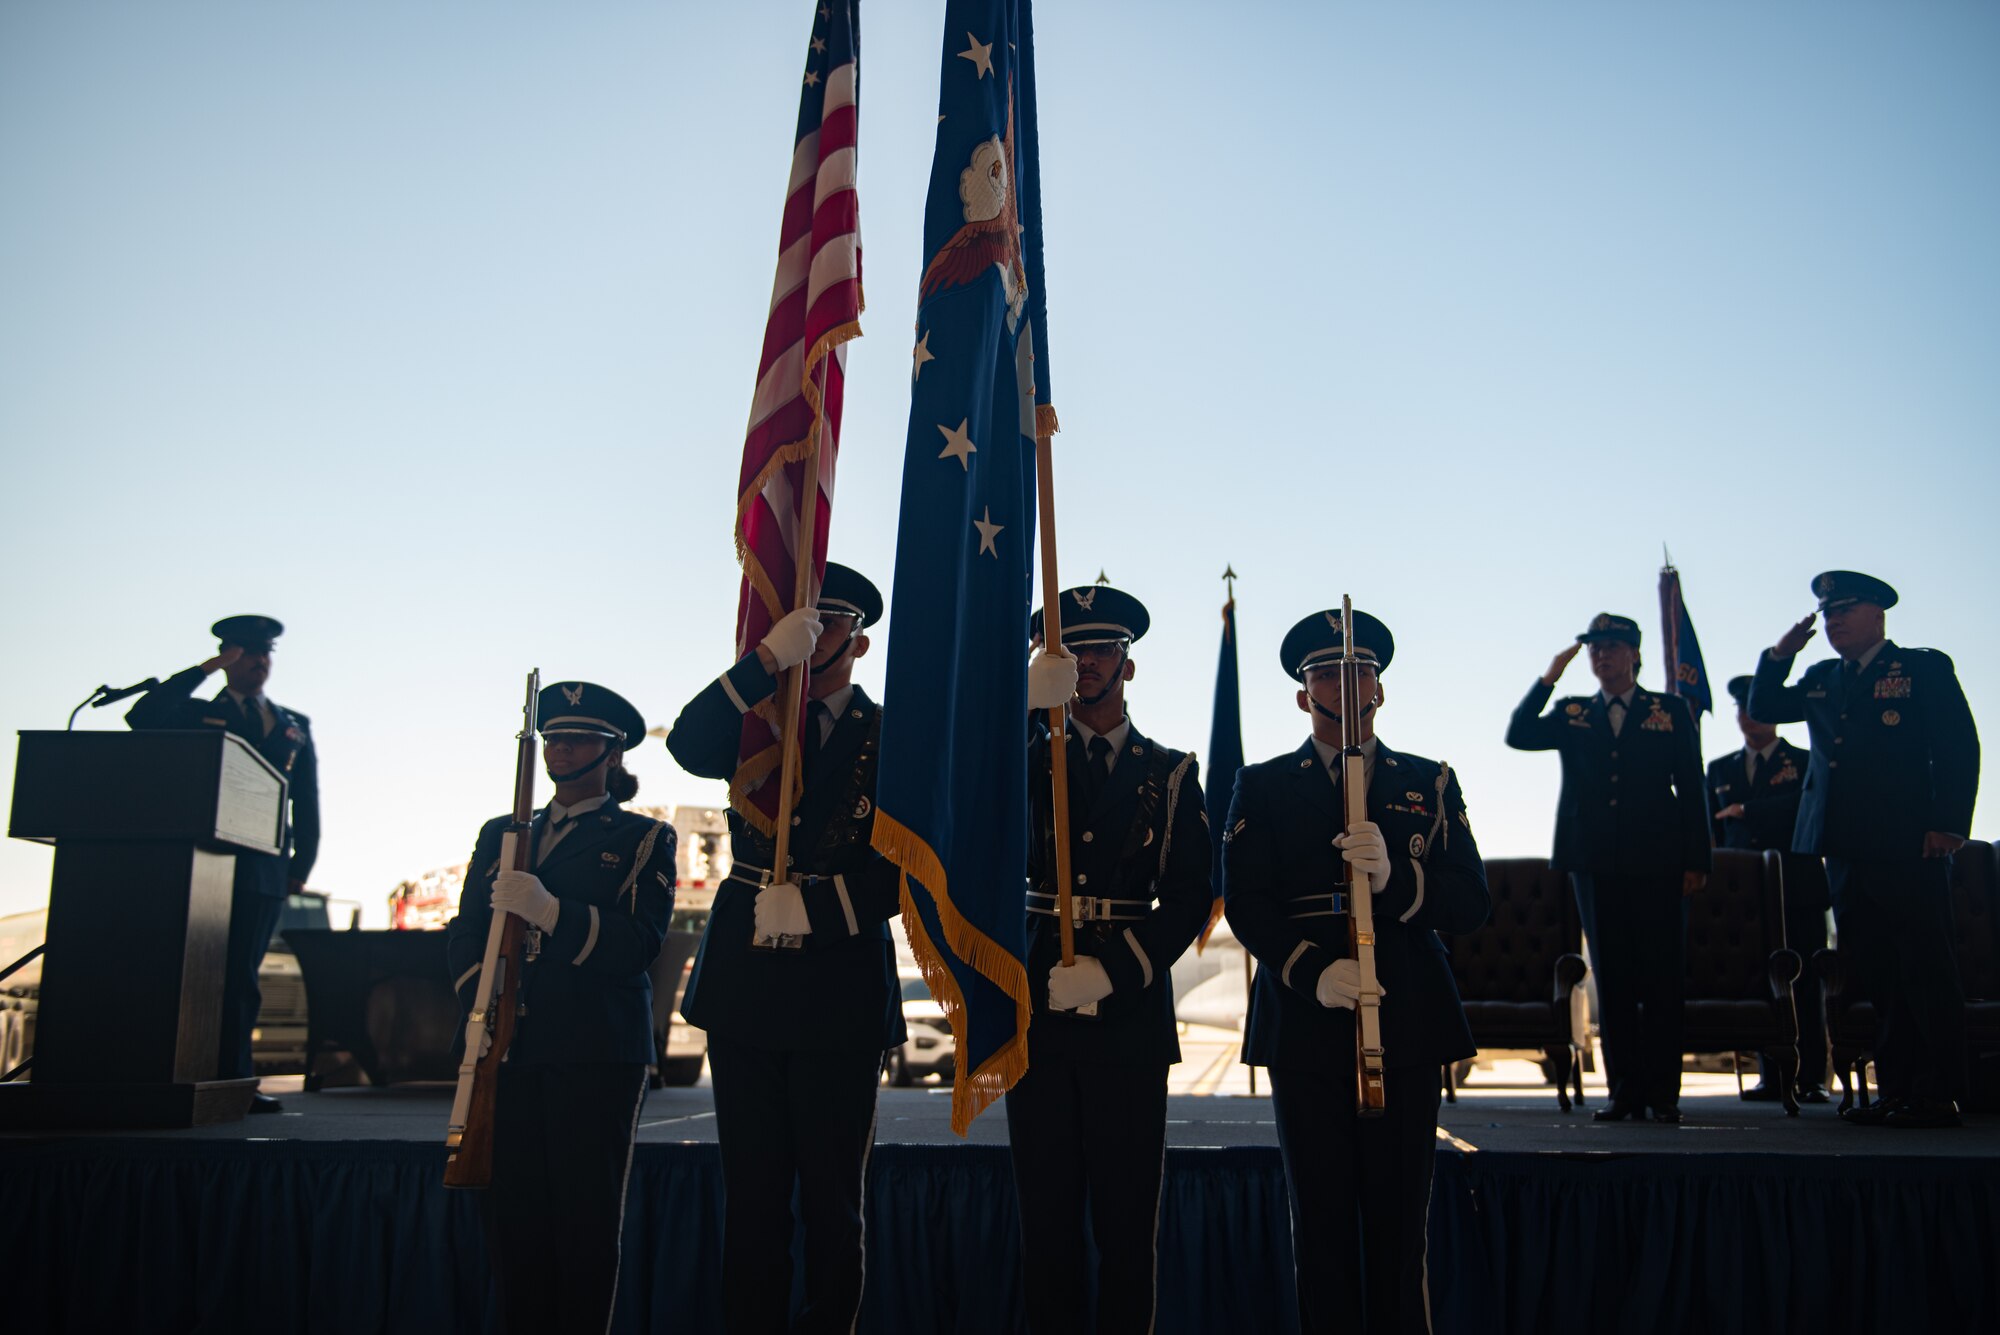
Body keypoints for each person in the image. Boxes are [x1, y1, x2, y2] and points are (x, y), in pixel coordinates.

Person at [1225, 606, 1489, 1335]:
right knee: (1323, 1224)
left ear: (1381, 687)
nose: (1344, 682)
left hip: (1405, 1012)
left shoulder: (1428, 782)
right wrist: (1311, 972)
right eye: (1325, 672)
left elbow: (1471, 901)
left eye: (1359, 668)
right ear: (1303, 694)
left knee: (1402, 1224)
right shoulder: (1265, 785)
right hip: (1306, 1017)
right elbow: (1246, 900)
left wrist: (1399, 881)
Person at [664, 563, 902, 1334]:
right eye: (804, 617)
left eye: (830, 619)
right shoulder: (756, 714)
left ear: (858, 642)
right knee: (754, 1202)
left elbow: (916, 861)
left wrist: (818, 909)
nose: (815, 632)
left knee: (835, 1208)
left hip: (839, 986)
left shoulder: (891, 735)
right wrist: (760, 661)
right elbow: (688, 743)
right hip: (749, 987)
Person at [1007, 585, 1212, 1335]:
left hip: (1128, 1017)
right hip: (1039, 1008)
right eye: (1066, 649)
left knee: (1128, 1231)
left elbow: (1192, 895)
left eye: (1099, 648)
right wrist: (1027, 710)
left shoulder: (1172, 773)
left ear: (1129, 664)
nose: (1083, 662)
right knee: (1048, 1226)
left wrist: (1116, 967)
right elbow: (969, 810)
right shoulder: (1018, 756)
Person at [444, 680, 675, 1335]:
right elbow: (464, 930)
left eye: (579, 739)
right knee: (513, 1225)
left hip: (596, 1049)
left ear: (614, 750)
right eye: (554, 738)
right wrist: (483, 999)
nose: (563, 749)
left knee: (584, 1224)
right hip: (509, 1046)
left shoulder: (641, 837)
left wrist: (550, 911)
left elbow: (637, 944)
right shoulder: (501, 834)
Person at [1751, 570, 1980, 1129]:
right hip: (1844, 847)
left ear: (1878, 613)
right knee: (1877, 973)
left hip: (1909, 844)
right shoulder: (1824, 676)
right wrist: (1779, 653)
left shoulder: (1920, 667)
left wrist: (1949, 823)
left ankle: (1941, 1092)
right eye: (1827, 614)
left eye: (1844, 610)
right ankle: (1897, 1089)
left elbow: (1957, 744)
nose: (1832, 622)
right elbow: (1765, 704)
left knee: (1924, 968)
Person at [1506, 612, 1710, 1123]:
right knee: (1614, 980)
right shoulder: (1573, 711)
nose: (1603, 656)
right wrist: (1549, 677)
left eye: (1613, 647)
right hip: (1594, 860)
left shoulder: (1668, 710)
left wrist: (1696, 859)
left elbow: (1692, 785)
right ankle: (1622, 1091)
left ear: (1634, 655)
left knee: (1661, 980)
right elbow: (1519, 735)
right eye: (1595, 649)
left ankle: (1663, 1094)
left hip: (1659, 862)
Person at [125, 614, 319, 1112]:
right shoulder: (197, 711)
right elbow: (142, 716)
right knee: (196, 973)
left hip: (264, 867)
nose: (260, 662)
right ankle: (184, 1074)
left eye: (265, 654)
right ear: (230, 657)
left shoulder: (294, 725)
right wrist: (207, 668)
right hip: (205, 864)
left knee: (241, 979)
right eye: (248, 653)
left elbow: (307, 801)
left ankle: (235, 1081)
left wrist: (302, 864)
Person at [1706, 674, 1830, 1102]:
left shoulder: (1806, 761)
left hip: (1798, 889)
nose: (1747, 717)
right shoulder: (1720, 769)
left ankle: (1812, 1075)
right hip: (1747, 900)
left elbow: (1806, 809)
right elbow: (1713, 832)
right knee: (1761, 981)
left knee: (1804, 983)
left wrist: (1748, 811)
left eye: (1755, 709)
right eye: (1741, 709)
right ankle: (1772, 1074)